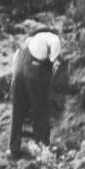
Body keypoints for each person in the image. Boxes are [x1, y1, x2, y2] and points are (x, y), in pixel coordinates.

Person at [10, 28, 65, 159]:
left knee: (18, 111)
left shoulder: (28, 42)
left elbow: (14, 63)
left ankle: (14, 149)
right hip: (34, 71)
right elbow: (54, 62)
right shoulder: (54, 38)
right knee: (40, 109)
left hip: (17, 72)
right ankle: (43, 149)